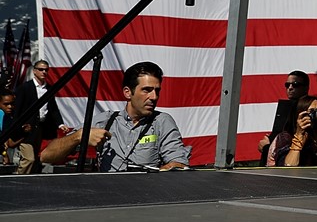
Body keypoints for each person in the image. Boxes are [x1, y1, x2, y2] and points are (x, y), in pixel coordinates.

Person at [40, 61, 190, 171]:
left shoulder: (162, 122)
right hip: (107, 201)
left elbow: (178, 164)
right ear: (127, 92)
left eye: (157, 91)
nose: (154, 96)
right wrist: (79, 136)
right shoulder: (105, 120)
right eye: (147, 90)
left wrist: (173, 166)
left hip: (146, 201)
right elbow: (46, 156)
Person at [13, 59, 66, 174]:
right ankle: (19, 177)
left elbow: (53, 109)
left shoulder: (49, 88)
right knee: (29, 158)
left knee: (36, 157)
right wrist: (18, 127)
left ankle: (31, 180)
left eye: (46, 70)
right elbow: (16, 109)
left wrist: (60, 124)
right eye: (41, 69)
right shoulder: (24, 88)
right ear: (34, 71)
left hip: (41, 128)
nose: (44, 72)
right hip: (26, 129)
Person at [258, 70, 310, 164]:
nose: (290, 88)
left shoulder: (307, 110)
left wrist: (267, 147)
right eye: (287, 85)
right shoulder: (286, 108)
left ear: (306, 88)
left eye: (295, 84)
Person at [265, 95, 317, 167]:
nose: (316, 115)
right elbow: (288, 168)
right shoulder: (285, 138)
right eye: (311, 111)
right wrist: (298, 138)